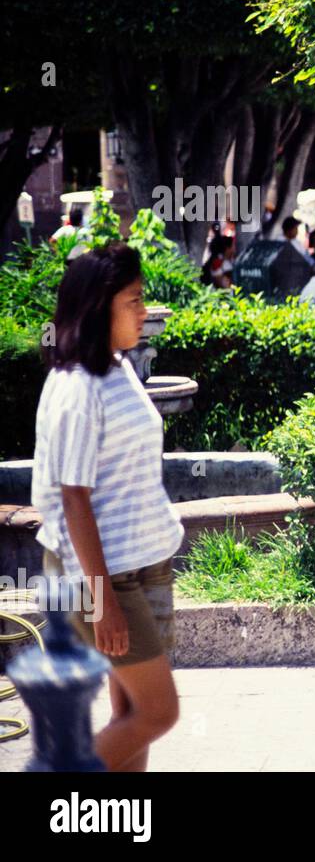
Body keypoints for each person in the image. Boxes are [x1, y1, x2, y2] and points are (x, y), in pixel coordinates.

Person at [31, 243, 183, 771]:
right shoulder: (77, 386)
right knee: (159, 713)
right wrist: (103, 601)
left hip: (140, 562)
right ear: (101, 306)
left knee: (131, 709)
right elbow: (74, 498)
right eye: (134, 300)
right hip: (103, 577)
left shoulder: (115, 367)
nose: (145, 311)